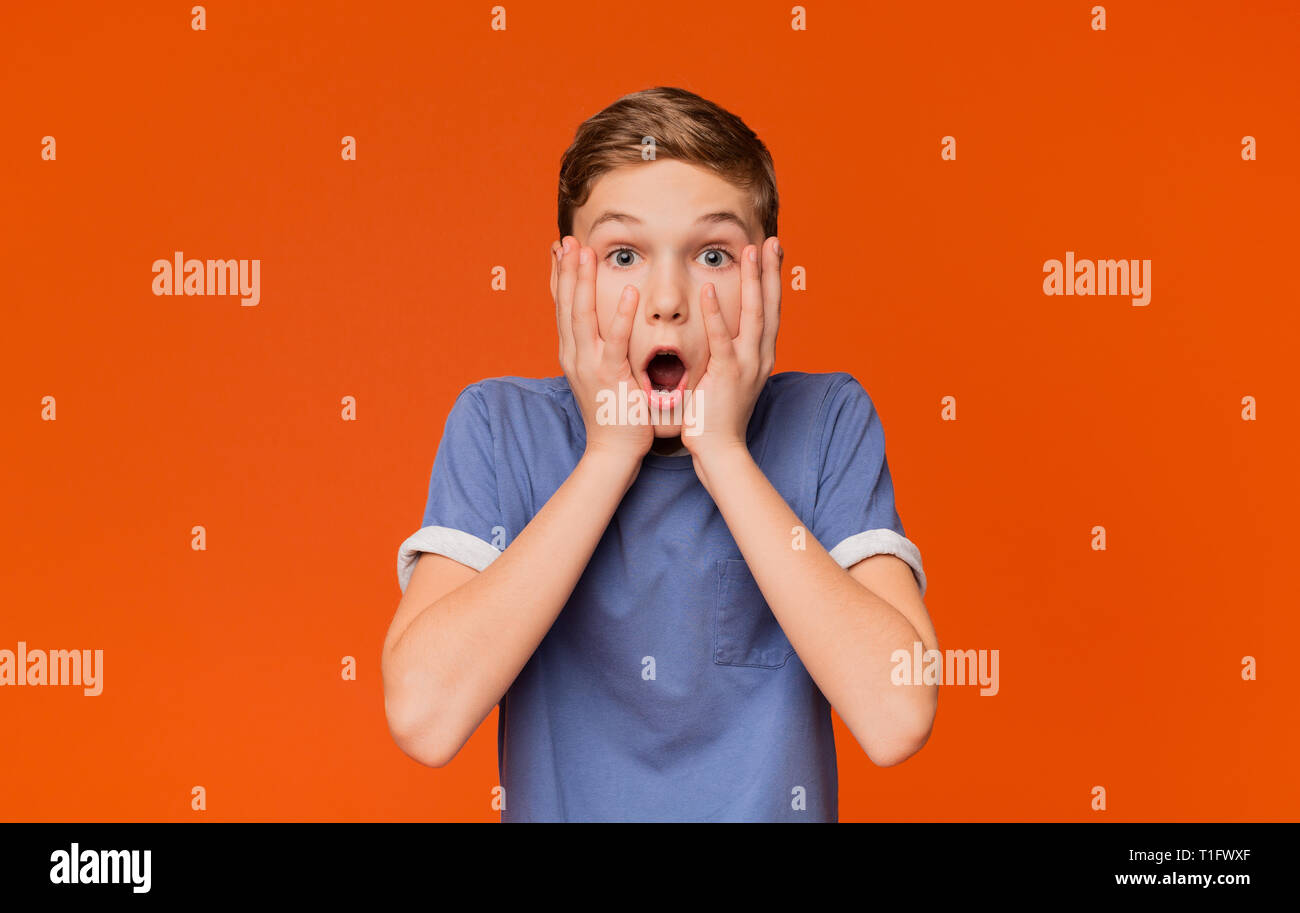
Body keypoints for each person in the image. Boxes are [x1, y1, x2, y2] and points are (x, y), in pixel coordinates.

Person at [382, 86, 938, 822]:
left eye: (713, 253)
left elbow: (897, 716)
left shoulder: (826, 421)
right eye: (623, 254)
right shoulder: (498, 426)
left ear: (765, 277)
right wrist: (609, 452)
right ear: (564, 280)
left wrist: (726, 453)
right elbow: (424, 718)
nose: (668, 298)